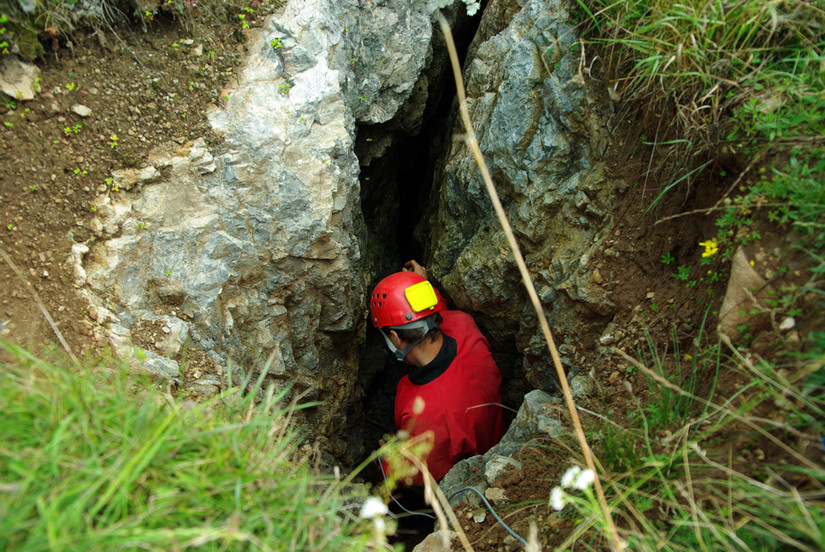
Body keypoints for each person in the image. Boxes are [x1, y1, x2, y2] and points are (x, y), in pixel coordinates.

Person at [370, 260, 505, 485]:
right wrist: (419, 285)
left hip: (467, 476)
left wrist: (386, 462)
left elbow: (418, 478)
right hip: (492, 432)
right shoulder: (464, 327)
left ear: (394, 338)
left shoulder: (428, 417)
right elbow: (439, 317)